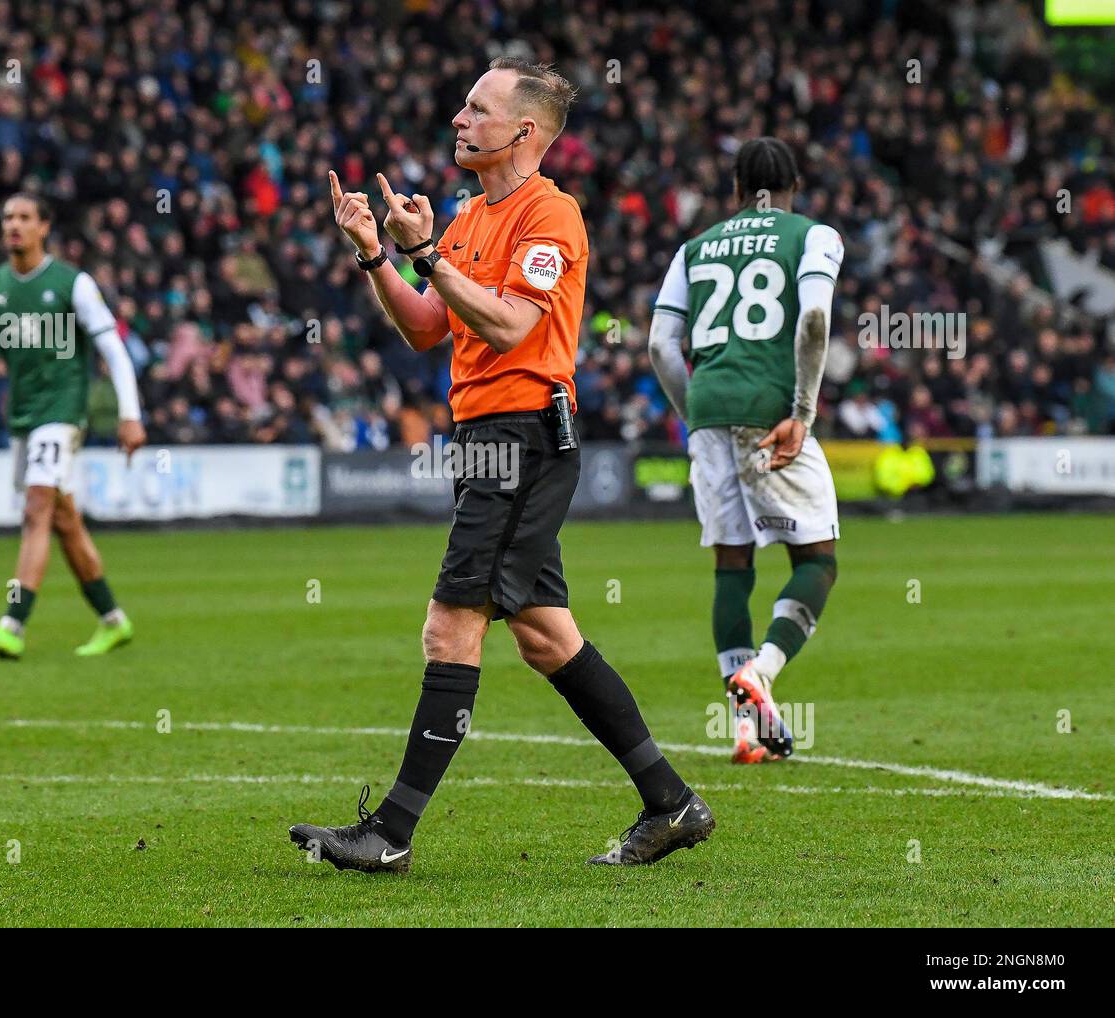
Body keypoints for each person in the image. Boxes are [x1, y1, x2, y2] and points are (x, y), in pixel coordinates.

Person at [289, 59, 714, 873]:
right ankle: (672, 803)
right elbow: (426, 328)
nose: (459, 118)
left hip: (520, 437)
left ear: (523, 131)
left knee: (450, 625)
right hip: (487, 438)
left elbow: (516, 325)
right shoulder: (465, 217)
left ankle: (389, 834)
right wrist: (378, 253)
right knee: (548, 638)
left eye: (477, 108)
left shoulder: (550, 214)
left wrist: (428, 257)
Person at [650, 137, 843, 763]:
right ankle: (762, 671)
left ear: (735, 189)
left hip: (707, 409)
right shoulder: (813, 236)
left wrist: (694, 416)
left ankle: (744, 730)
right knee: (817, 559)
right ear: (792, 187)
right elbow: (813, 321)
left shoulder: (694, 246)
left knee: (732, 567)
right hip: (771, 411)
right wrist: (802, 414)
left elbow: (658, 344)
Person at [0, 193, 146, 660]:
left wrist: (130, 414)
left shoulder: (72, 283)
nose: (13, 225)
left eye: (24, 217)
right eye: (7, 217)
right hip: (24, 416)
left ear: (44, 227)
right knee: (63, 521)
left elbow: (113, 349)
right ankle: (113, 620)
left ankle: (12, 624)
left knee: (36, 510)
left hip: (62, 414)